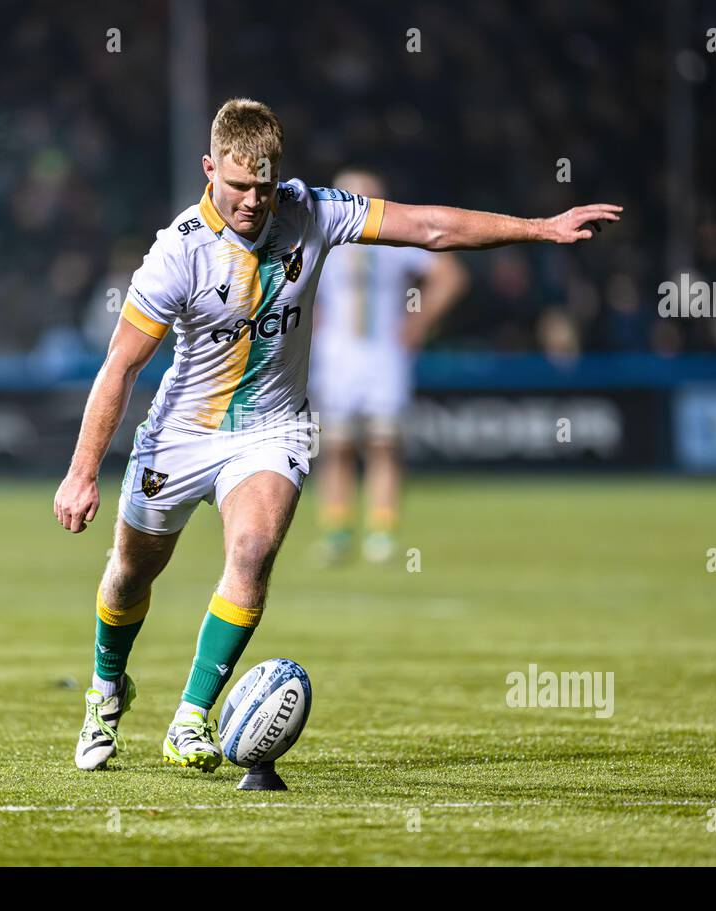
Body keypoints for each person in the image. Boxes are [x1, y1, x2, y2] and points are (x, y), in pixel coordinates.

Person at [53, 98, 621, 771]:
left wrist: (540, 228)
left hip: (272, 427)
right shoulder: (177, 254)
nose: (252, 202)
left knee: (254, 548)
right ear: (210, 171)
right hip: (181, 433)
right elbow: (120, 366)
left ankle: (191, 718)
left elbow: (430, 229)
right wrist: (83, 470)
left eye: (264, 188)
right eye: (237, 186)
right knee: (129, 575)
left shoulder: (312, 210)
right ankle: (105, 690)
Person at [310, 168, 470, 564]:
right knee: (336, 447)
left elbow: (450, 275)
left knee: (383, 445)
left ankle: (381, 532)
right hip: (335, 357)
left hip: (383, 356)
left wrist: (418, 322)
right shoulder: (321, 239)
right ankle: (337, 531)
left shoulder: (395, 239)